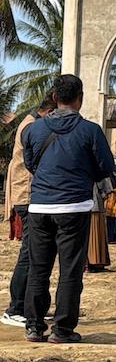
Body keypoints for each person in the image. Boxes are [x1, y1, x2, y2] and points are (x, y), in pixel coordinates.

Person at [21, 75, 116, 343]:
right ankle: (62, 329)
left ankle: (34, 326)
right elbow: (106, 167)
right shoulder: (91, 130)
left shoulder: (33, 130)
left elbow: (31, 163)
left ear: (54, 98)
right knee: (70, 270)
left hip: (39, 206)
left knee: (38, 268)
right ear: (80, 98)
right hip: (74, 207)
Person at [2, 95, 56, 328]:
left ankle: (28, 307)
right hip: (27, 195)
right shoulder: (32, 127)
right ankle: (16, 307)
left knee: (33, 254)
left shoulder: (29, 123)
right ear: (49, 111)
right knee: (28, 254)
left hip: (29, 195)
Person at [87, 178, 114, 273]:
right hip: (96, 207)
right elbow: (107, 191)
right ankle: (96, 262)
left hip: (81, 207)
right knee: (97, 236)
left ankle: (88, 263)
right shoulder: (100, 172)